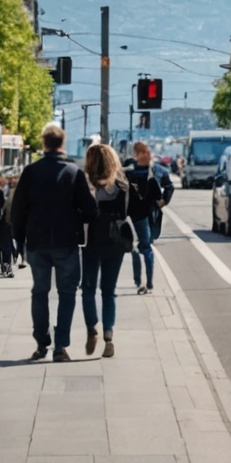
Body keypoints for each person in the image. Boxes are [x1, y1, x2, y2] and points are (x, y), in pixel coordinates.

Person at [9, 124, 97, 362]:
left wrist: (19, 239)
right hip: (66, 242)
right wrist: (76, 219)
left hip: (36, 242)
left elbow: (17, 210)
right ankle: (60, 346)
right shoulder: (73, 172)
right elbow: (90, 209)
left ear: (44, 144)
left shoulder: (30, 172)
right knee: (67, 292)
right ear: (62, 144)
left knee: (40, 291)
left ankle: (41, 343)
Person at [80, 144, 132, 358]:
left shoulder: (86, 184)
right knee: (109, 290)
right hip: (115, 240)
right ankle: (109, 336)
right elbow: (126, 211)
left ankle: (92, 328)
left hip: (91, 239)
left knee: (88, 288)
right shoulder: (121, 184)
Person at [124, 141, 172, 295]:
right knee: (146, 248)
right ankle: (150, 282)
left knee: (134, 249)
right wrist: (160, 203)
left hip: (127, 216)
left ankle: (138, 281)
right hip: (144, 216)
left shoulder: (126, 173)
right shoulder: (151, 176)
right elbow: (159, 199)